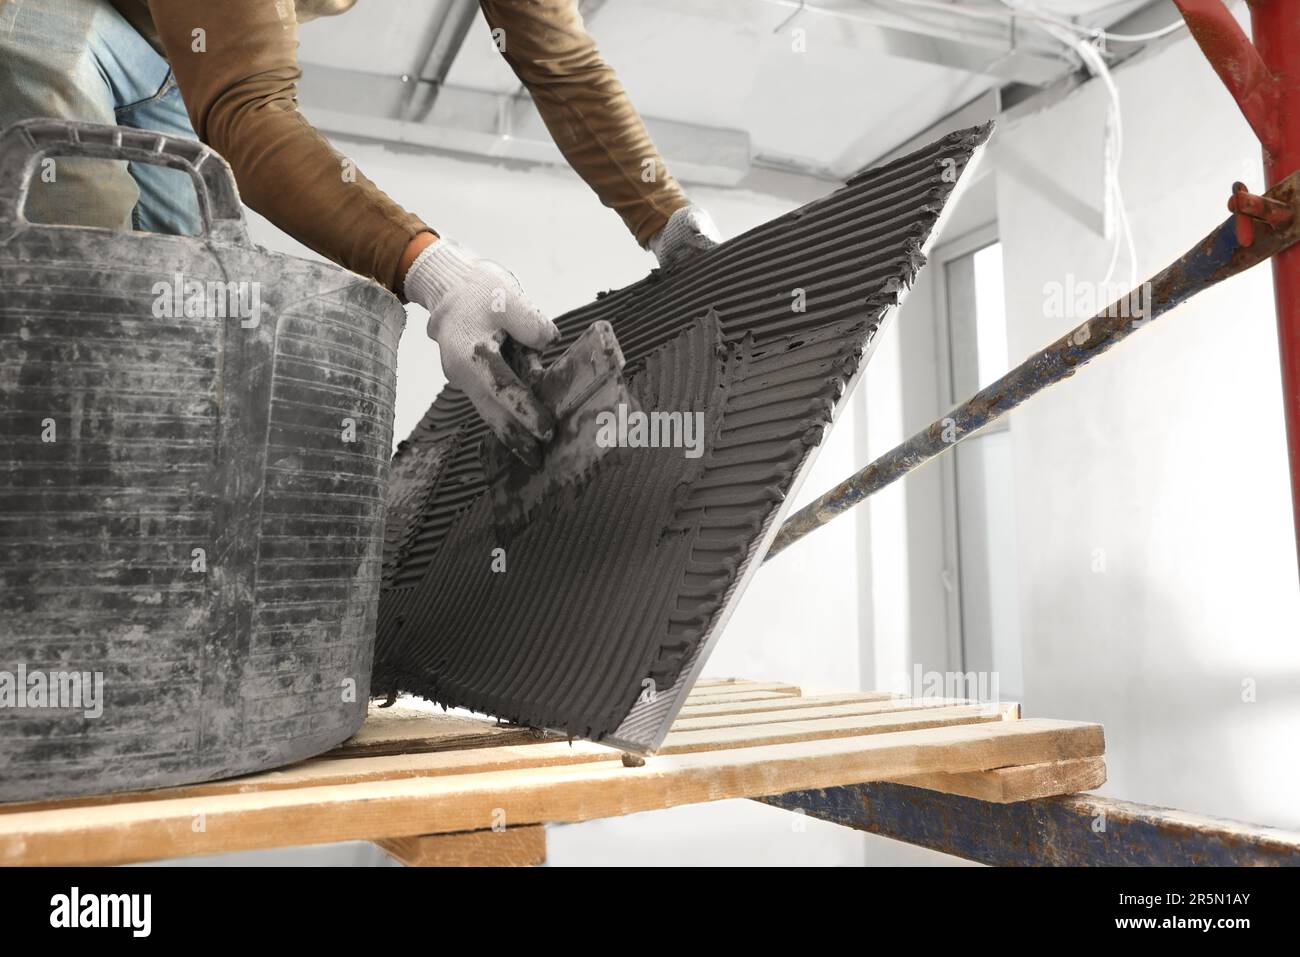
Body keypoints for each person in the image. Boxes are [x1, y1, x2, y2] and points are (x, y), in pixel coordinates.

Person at [0, 0, 721, 457]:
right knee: (84, 247)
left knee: (199, 315)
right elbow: (249, 111)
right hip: (55, 17)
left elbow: (560, 62)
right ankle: (37, 508)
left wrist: (667, 221)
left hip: (167, 49)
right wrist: (434, 273)